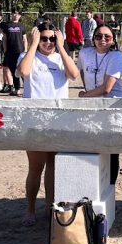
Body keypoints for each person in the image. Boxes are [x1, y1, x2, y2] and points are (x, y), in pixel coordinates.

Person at [17, 22, 79, 226]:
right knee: (36, 167)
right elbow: (24, 72)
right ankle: (30, 209)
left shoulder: (61, 57)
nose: (48, 42)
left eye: (51, 38)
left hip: (58, 119)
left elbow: (74, 74)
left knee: (54, 166)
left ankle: (49, 206)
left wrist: (61, 47)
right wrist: (33, 44)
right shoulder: (29, 56)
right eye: (44, 38)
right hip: (34, 119)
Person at [77, 23, 122, 185]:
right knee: (92, 149)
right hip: (92, 106)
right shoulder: (84, 53)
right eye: (98, 36)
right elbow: (82, 70)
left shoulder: (116, 56)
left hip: (112, 106)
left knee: (112, 151)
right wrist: (88, 91)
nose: (102, 39)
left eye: (107, 37)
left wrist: (85, 96)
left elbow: (107, 88)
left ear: (112, 40)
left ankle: (109, 188)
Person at [1, 8, 27, 96]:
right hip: (10, 51)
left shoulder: (22, 25)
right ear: (12, 14)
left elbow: (24, 39)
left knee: (23, 71)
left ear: (20, 15)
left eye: (18, 14)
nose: (16, 15)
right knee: (14, 71)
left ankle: (27, 88)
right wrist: (5, 50)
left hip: (20, 51)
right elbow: (4, 38)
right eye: (14, 13)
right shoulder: (7, 25)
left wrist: (25, 51)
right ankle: (17, 89)